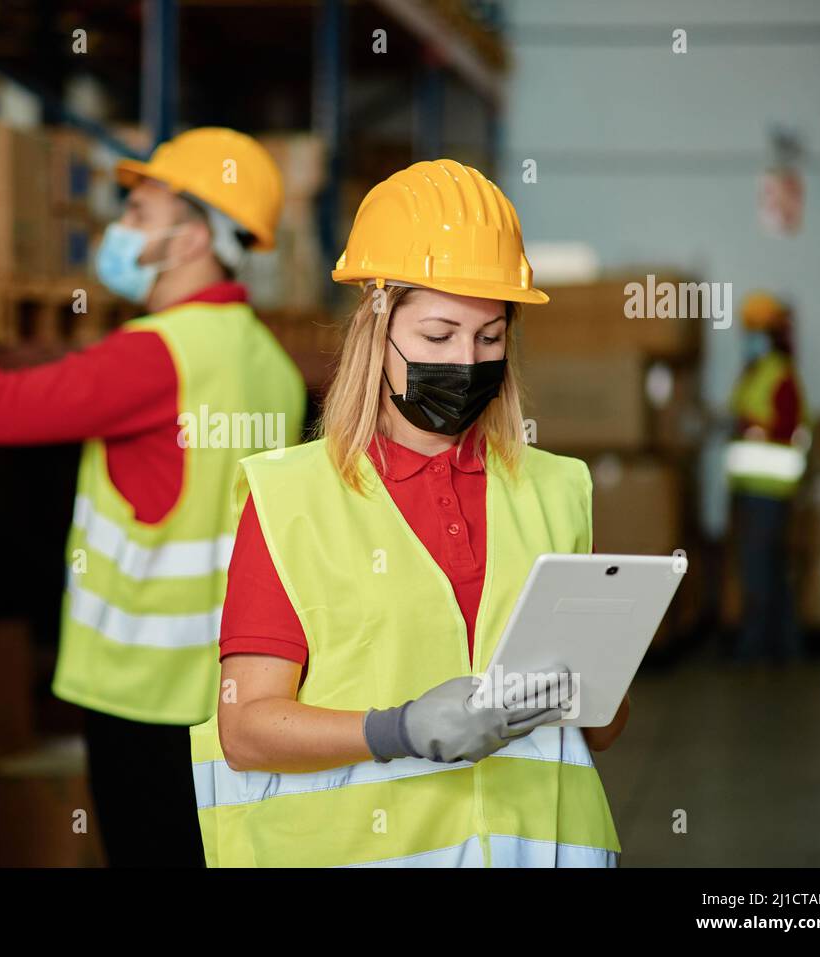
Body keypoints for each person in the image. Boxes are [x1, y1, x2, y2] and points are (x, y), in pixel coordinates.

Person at [0, 127, 307, 867]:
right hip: (234, 688)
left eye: (138, 213)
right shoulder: (271, 365)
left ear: (193, 237)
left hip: (144, 692)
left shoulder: (156, 353)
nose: (119, 228)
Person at [188, 159, 628, 868]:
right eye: (438, 336)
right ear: (377, 325)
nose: (465, 361)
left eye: (490, 338)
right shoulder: (292, 498)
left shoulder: (555, 490)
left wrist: (597, 679)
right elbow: (246, 728)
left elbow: (601, 729)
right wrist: (397, 728)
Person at [725, 291, 809, 663]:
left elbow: (789, 428)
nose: (750, 338)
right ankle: (787, 648)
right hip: (749, 488)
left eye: (756, 331)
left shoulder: (781, 376)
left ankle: (752, 651)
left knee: (759, 572)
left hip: (770, 491)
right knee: (769, 571)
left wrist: (751, 426)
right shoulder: (754, 372)